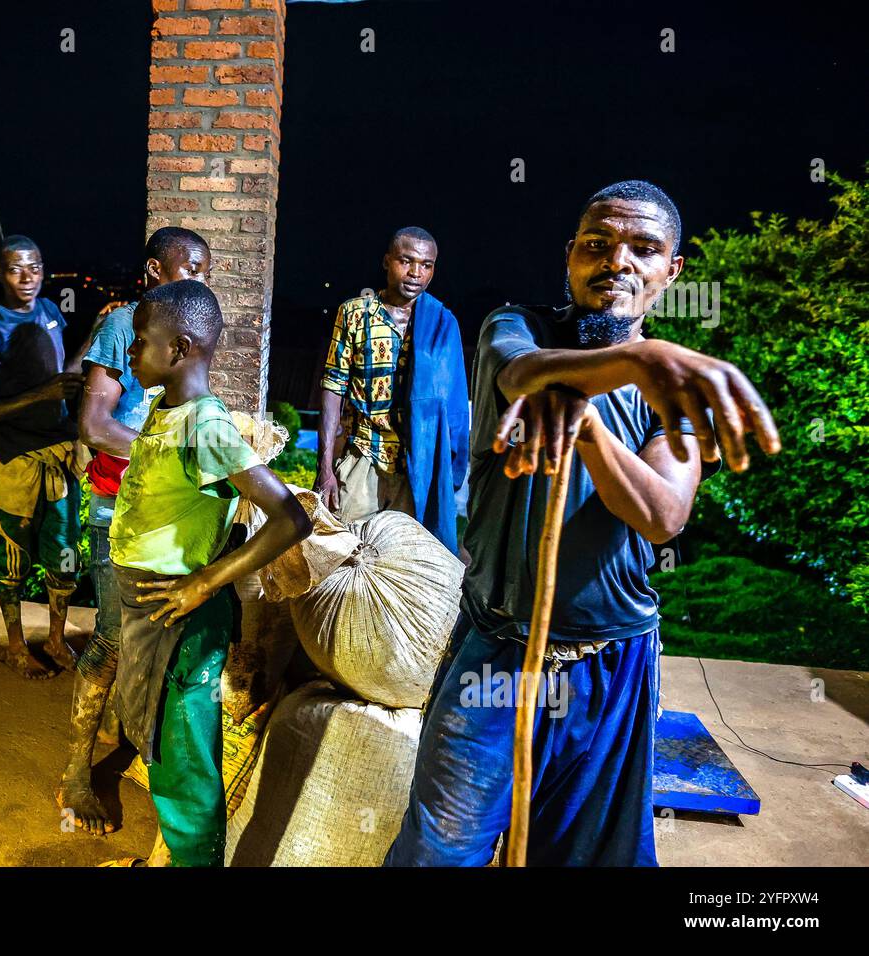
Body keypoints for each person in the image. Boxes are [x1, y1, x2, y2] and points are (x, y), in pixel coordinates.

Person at [385, 181, 781, 866]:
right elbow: (520, 375)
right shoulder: (517, 329)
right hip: (500, 650)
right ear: (570, 256)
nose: (616, 262)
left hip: (611, 662)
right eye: (597, 245)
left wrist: (591, 427)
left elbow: (661, 514)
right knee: (438, 851)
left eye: (643, 248)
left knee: (586, 856)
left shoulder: (672, 398)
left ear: (671, 272)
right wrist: (634, 358)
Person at [110, 280, 312, 866]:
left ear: (178, 348)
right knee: (164, 750)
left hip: (183, 619)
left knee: (185, 765)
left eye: (138, 342)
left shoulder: (206, 426)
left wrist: (204, 581)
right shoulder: (165, 409)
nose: (130, 354)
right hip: (151, 610)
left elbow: (289, 518)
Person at [57, 227, 211, 837]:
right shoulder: (123, 326)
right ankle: (74, 773)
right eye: (189, 266)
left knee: (155, 637)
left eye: (206, 268)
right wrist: (167, 455)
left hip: (163, 516)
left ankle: (135, 738)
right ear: (153, 268)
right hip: (118, 511)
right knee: (113, 640)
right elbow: (95, 423)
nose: (200, 277)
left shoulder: (188, 329)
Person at [0, 235, 84, 680]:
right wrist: (45, 392)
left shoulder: (51, 312)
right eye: (16, 268)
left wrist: (96, 329)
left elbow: (66, 380)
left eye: (35, 267)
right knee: (12, 556)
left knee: (64, 553)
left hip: (58, 454)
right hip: (15, 457)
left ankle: (55, 639)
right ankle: (15, 646)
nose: (28, 277)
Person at [315, 227, 468, 553]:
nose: (416, 273)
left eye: (426, 265)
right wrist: (325, 468)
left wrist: (451, 469)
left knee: (405, 563)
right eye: (406, 261)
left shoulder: (441, 323)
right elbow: (332, 389)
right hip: (362, 459)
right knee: (345, 556)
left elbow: (453, 403)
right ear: (387, 262)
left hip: (417, 468)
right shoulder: (355, 313)